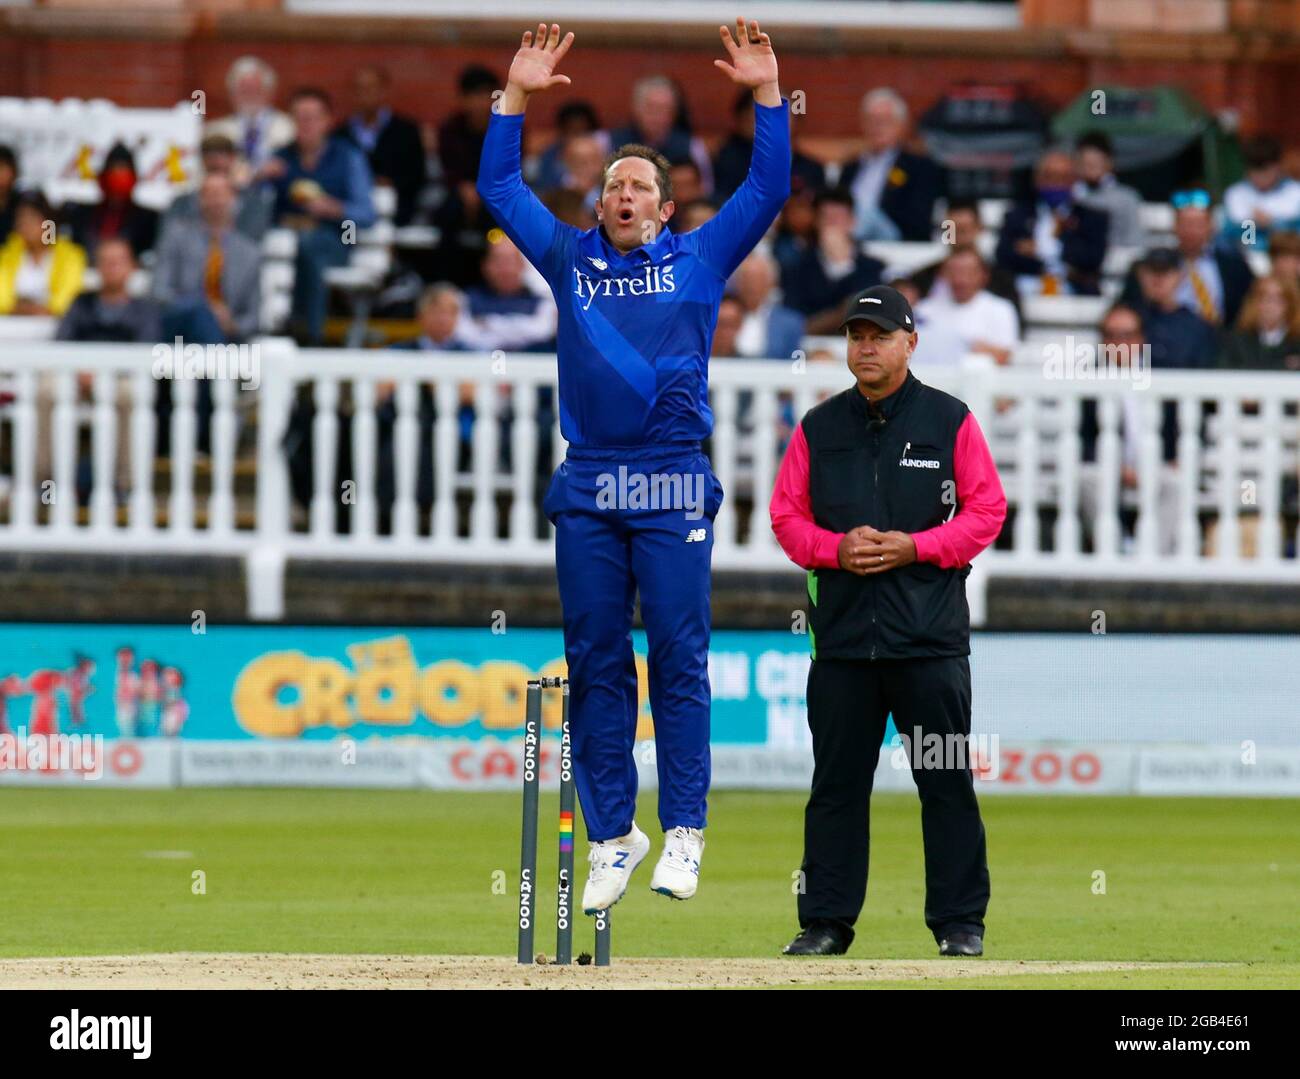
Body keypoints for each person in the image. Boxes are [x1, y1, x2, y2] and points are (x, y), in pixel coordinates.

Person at [478, 19, 790, 914]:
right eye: (613, 183)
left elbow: (769, 185)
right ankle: (615, 835)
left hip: (670, 476)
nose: (623, 194)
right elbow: (498, 182)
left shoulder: (701, 256)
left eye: (640, 186)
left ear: (664, 208)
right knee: (595, 659)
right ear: (599, 201)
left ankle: (685, 830)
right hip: (590, 479)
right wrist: (516, 96)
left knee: (680, 657)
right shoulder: (568, 257)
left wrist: (768, 94)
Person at [769, 284, 1005, 957]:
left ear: (910, 342)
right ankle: (825, 921)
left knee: (946, 784)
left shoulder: (950, 419)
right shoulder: (819, 425)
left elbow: (986, 512)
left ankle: (961, 923)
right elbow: (788, 518)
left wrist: (916, 546)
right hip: (843, 645)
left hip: (928, 646)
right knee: (836, 789)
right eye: (855, 335)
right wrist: (833, 549)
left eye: (879, 334)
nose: (865, 346)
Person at [259, 87, 376, 344]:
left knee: (308, 245)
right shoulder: (280, 158)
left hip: (336, 239)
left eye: (312, 118)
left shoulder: (347, 157)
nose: (305, 125)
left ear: (327, 121)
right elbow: (254, 212)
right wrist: (261, 179)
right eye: (299, 118)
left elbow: (366, 214)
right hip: (281, 243)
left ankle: (307, 334)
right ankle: (255, 335)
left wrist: (333, 208)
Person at [834, 87, 943, 242]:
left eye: (885, 120)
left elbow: (919, 216)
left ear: (901, 125)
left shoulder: (918, 167)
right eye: (871, 120)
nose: (877, 126)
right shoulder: (851, 167)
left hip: (896, 242)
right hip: (848, 242)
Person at [995, 148, 1108, 296]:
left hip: (1073, 290)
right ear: (1037, 179)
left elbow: (1092, 258)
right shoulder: (1018, 215)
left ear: (1074, 180)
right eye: (1050, 177)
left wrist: (1044, 249)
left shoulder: (1091, 218)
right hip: (1026, 288)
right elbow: (1004, 255)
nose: (1056, 183)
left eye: (1063, 177)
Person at [336, 64, 427, 226]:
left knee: (385, 213)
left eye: (371, 88)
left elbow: (417, 174)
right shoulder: (340, 134)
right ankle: (346, 245)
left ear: (384, 91)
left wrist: (391, 183)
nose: (366, 95)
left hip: (396, 209)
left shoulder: (406, 131)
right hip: (352, 211)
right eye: (360, 89)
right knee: (346, 231)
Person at [915, 244, 1020, 365]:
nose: (960, 280)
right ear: (943, 275)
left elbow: (1005, 357)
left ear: (983, 276)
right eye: (954, 272)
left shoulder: (1001, 309)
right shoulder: (923, 310)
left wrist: (963, 344)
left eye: (968, 273)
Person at [0, 192, 85, 317]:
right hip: (11, 323)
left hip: (56, 326)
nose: (26, 224)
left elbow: (68, 297)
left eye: (33, 218)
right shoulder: (6, 254)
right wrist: (20, 310)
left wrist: (47, 310)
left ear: (49, 223)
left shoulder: (70, 255)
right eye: (21, 219)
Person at [1072, 131, 1145, 249]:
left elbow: (1134, 241)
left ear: (1109, 162)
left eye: (1095, 163)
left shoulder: (1127, 198)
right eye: (1085, 163)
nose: (1089, 169)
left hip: (1116, 262)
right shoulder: (1070, 194)